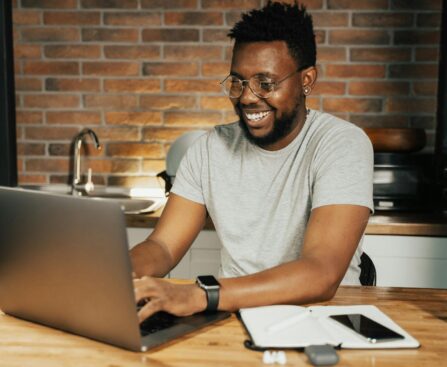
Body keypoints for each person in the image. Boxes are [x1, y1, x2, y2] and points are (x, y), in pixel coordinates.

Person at [131, 0, 373, 322]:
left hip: (322, 319)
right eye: (238, 82)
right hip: (231, 316)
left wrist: (203, 295)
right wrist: (115, 273)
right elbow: (162, 246)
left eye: (265, 83)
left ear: (307, 80)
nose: (246, 97)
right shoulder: (208, 149)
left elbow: (322, 273)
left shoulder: (341, 144)